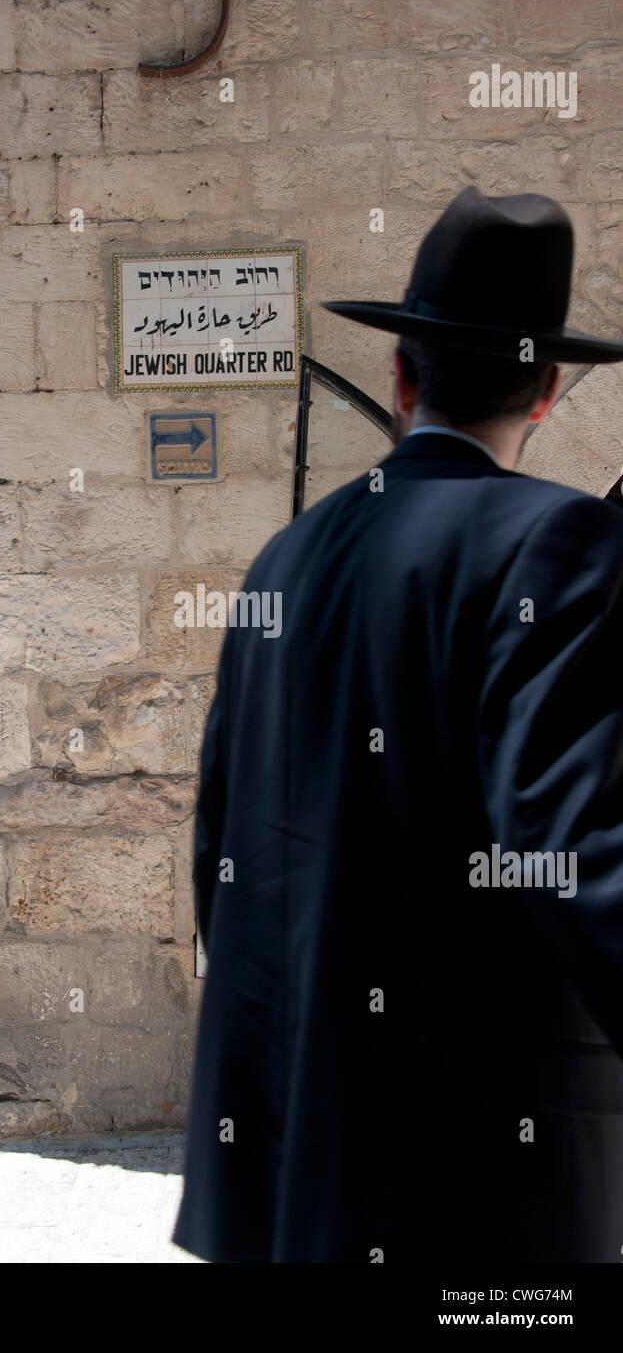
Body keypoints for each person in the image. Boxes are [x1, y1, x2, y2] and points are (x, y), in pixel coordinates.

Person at [173, 187, 623, 1264]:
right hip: (473, 1182)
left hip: (284, 1164)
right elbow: (563, 844)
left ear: (399, 373)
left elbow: (219, 852)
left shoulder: (283, 558)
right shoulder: (557, 543)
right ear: (548, 391)